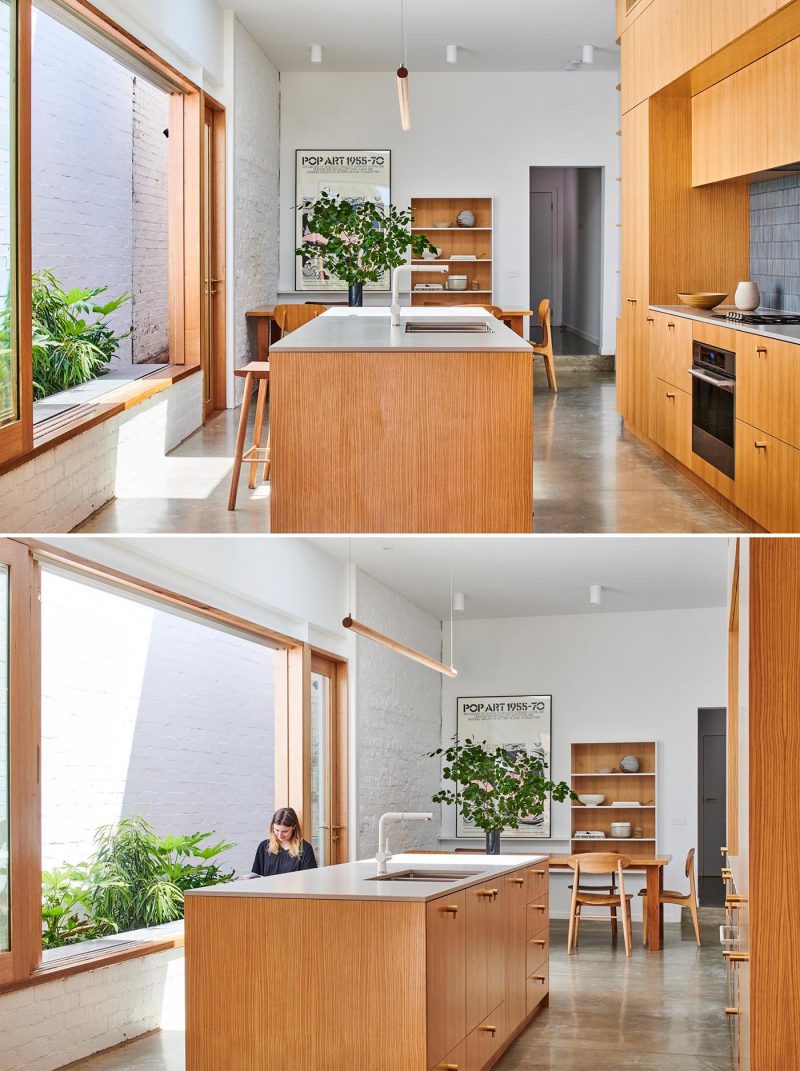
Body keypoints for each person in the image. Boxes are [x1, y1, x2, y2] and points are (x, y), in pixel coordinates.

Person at [250, 807, 318, 877]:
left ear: (294, 827)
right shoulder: (264, 847)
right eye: (276, 830)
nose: (280, 835)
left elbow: (310, 880)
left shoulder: (305, 849)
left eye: (285, 831)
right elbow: (256, 876)